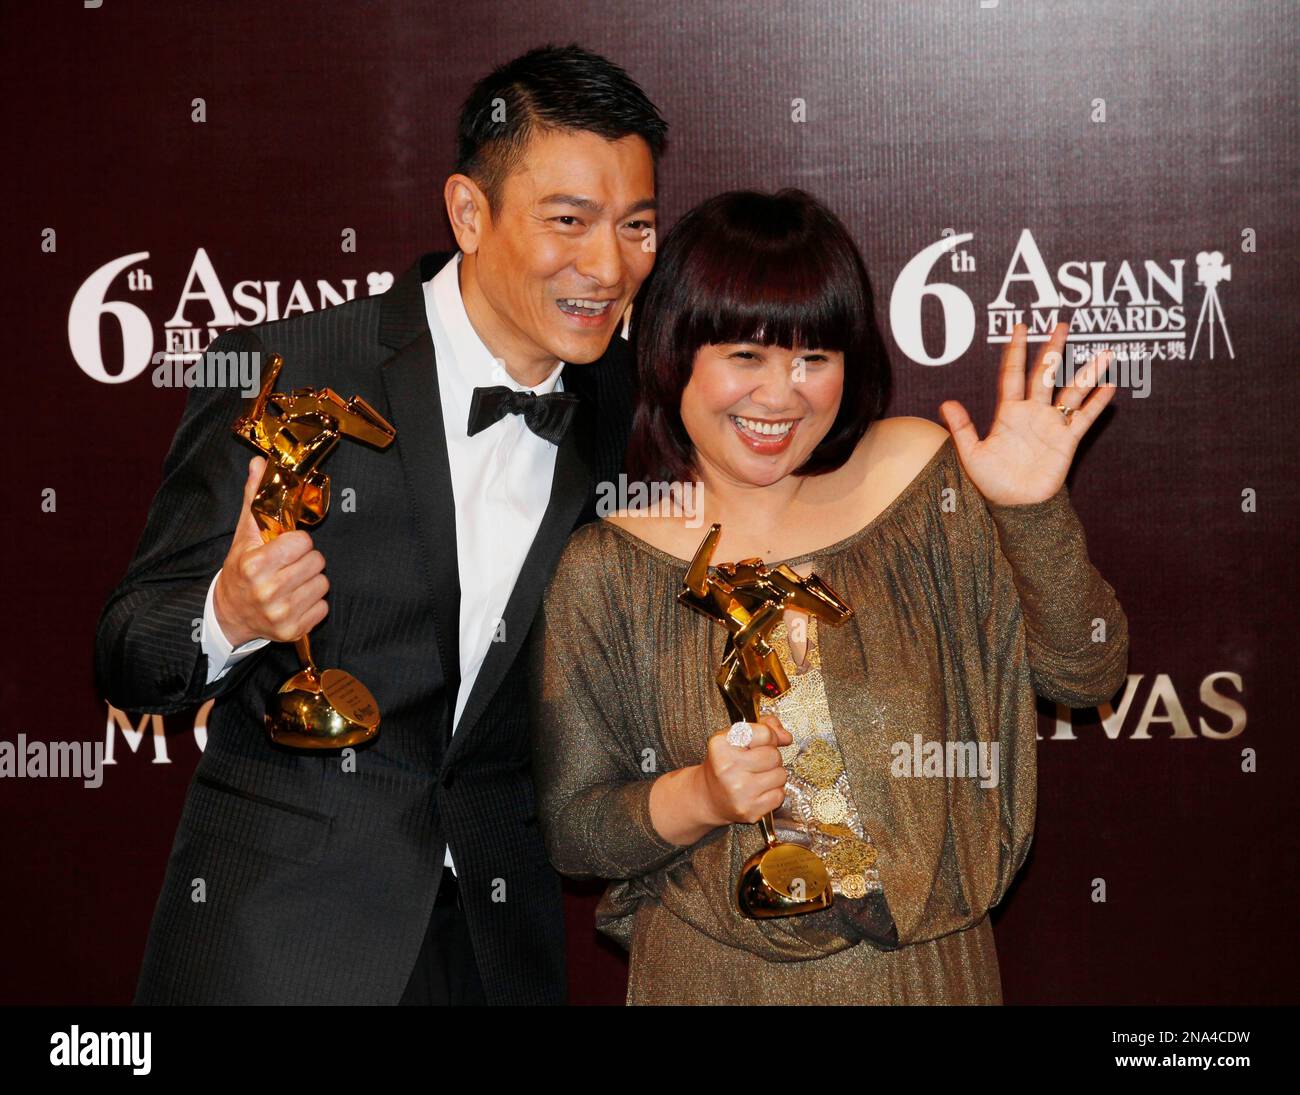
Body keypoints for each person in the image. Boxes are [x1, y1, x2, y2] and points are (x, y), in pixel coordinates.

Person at [94, 44, 666, 1005]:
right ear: (469, 213)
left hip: (497, 951)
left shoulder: (635, 407)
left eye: (638, 225)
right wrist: (226, 614)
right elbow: (125, 650)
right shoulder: (290, 370)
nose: (608, 265)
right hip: (280, 941)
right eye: (568, 221)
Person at [530, 188, 1129, 1004]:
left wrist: (1029, 513)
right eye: (746, 355)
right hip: (710, 981)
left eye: (815, 357)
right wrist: (698, 796)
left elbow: (1085, 674)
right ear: (674, 355)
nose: (782, 396)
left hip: (923, 978)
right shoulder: (608, 565)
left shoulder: (919, 485)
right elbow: (575, 827)